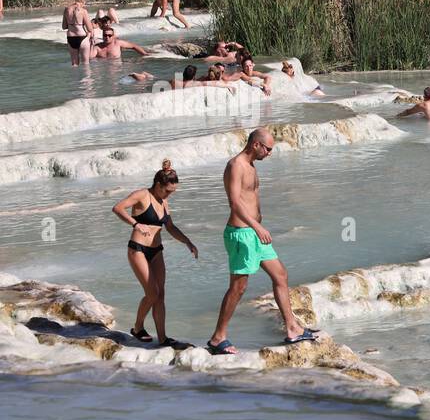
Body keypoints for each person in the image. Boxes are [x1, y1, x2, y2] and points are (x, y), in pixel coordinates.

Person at [206, 128, 314, 355]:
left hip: (255, 234)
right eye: (268, 148)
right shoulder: (236, 165)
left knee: (280, 275)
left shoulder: (252, 167)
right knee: (238, 286)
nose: (269, 153)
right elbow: (235, 202)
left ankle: (292, 327)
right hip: (242, 234)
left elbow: (252, 198)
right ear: (255, 144)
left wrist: (259, 222)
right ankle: (218, 338)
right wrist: (256, 226)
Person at [110, 160, 197, 349]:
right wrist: (135, 224)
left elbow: (171, 227)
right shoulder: (142, 195)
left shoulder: (164, 202)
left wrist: (187, 242)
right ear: (158, 185)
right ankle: (138, 327)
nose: (169, 195)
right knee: (152, 293)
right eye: (167, 191)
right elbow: (117, 208)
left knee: (161, 295)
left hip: (156, 251)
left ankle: (163, 339)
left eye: (172, 192)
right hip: (138, 249)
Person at [62, 0, 93, 65]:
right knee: (86, 64)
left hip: (71, 38)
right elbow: (90, 29)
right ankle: (87, 77)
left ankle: (74, 76)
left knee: (74, 64)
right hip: (82, 37)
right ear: (83, 0)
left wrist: (71, 24)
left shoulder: (66, 10)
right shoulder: (83, 11)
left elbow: (64, 27)